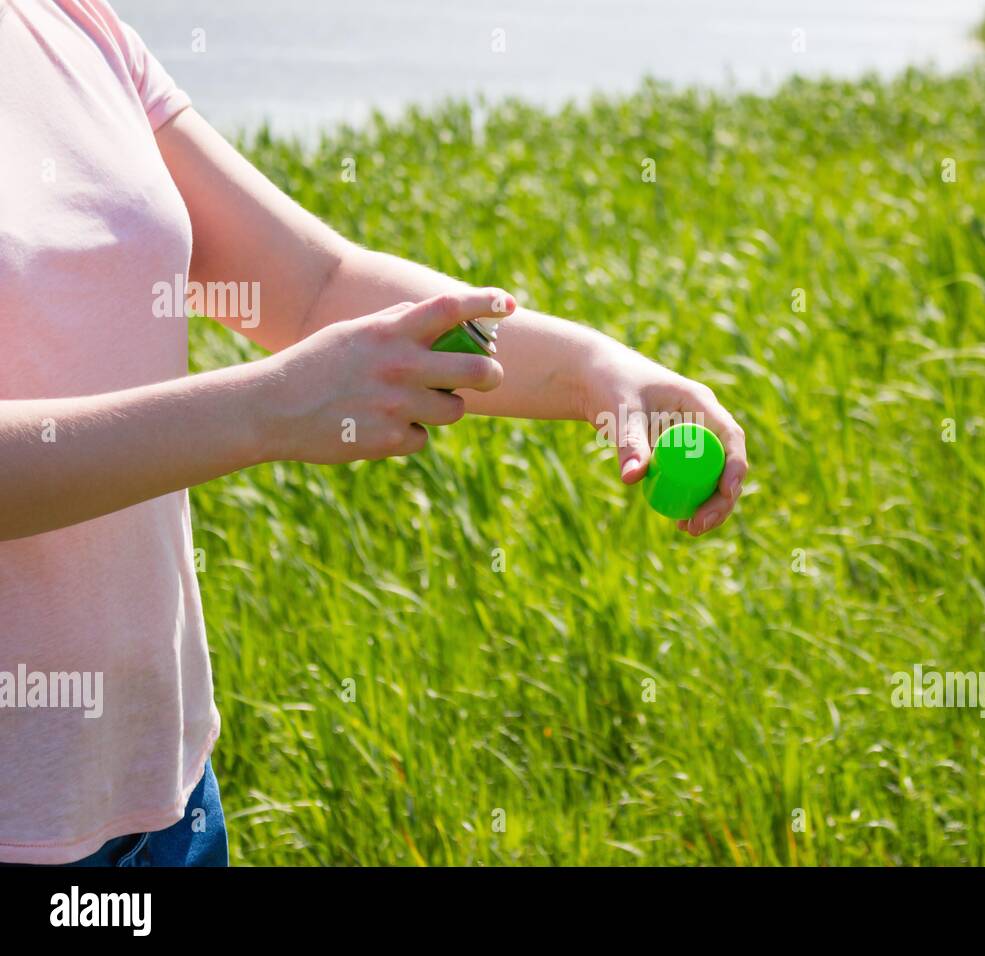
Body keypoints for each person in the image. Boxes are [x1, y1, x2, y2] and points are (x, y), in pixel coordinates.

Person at [0, 0, 747, 866]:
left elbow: (314, 283)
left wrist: (597, 371)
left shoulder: (67, 23)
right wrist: (273, 407)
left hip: (161, 795)